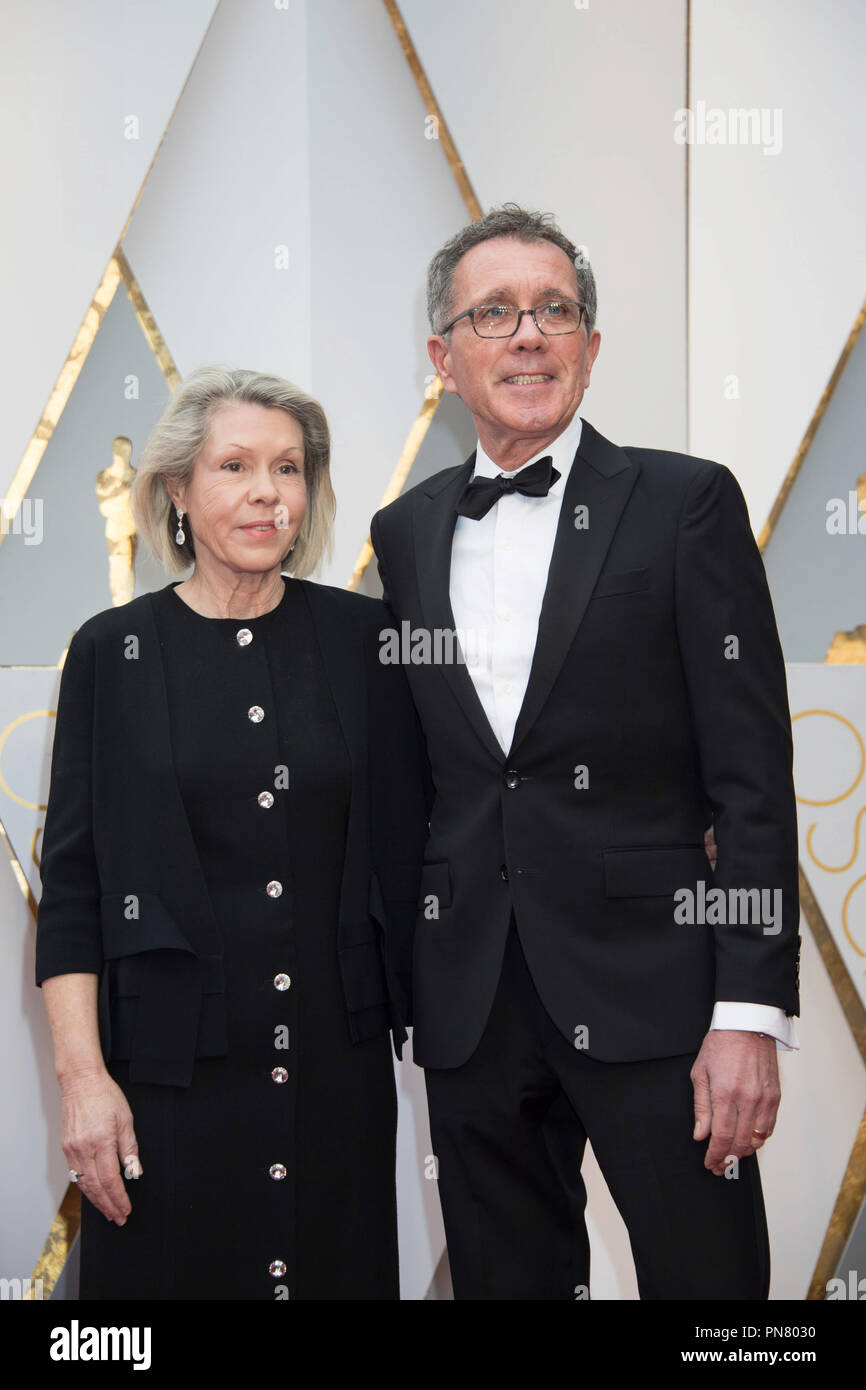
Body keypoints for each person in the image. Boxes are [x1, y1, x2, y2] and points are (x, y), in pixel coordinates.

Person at [370, 205, 800, 1300]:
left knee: (713, 1297)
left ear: (590, 348)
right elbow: (420, 779)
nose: (527, 335)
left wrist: (746, 1011)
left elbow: (749, 778)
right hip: (471, 1004)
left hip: (661, 994)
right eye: (494, 313)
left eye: (554, 311)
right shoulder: (407, 531)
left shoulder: (682, 503)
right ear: (442, 357)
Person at [36, 366, 427, 1300]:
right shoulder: (113, 651)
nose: (267, 492)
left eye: (289, 469)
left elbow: (427, 833)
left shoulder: (367, 640)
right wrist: (84, 1082)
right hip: (168, 1078)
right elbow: (77, 887)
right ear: (177, 489)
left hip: (336, 1067)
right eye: (236, 466)